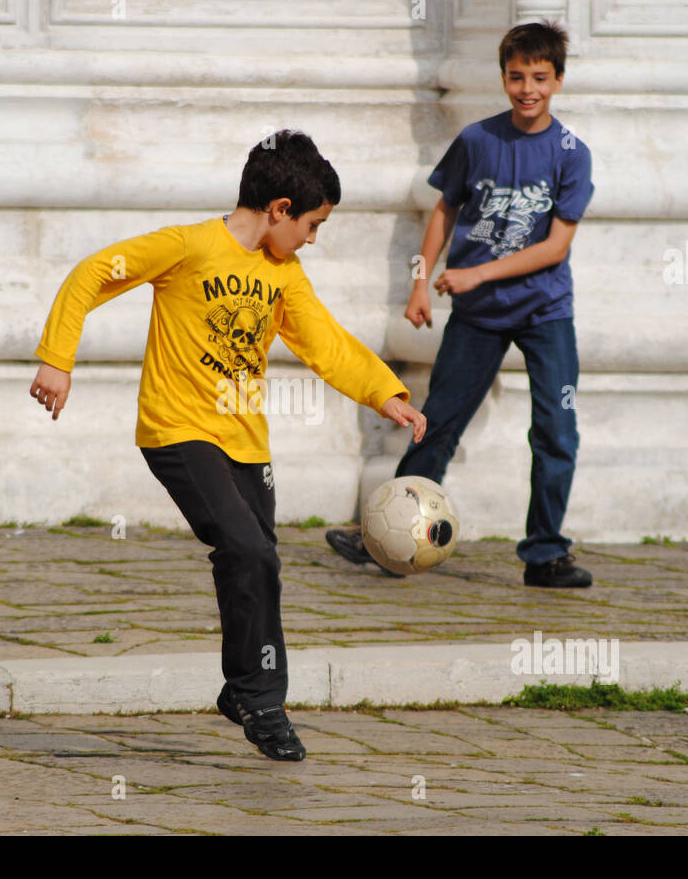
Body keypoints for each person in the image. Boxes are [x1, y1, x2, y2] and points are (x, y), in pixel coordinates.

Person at [29, 131, 426, 760]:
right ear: (279, 209)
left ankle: (240, 691)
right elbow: (91, 274)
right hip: (177, 431)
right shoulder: (188, 247)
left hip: (246, 442)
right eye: (313, 225)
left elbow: (325, 342)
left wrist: (384, 392)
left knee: (258, 563)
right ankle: (262, 702)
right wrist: (57, 359)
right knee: (245, 548)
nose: (312, 240)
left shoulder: (282, 272)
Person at [326, 20, 596, 588]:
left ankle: (545, 554)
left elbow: (556, 245)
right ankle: (383, 536)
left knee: (556, 429)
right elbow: (445, 210)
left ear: (559, 81)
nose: (528, 89)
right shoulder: (477, 140)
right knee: (437, 422)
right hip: (477, 315)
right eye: (517, 76)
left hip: (546, 311)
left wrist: (475, 273)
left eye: (540, 78)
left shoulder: (572, 154)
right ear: (502, 77)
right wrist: (420, 282)